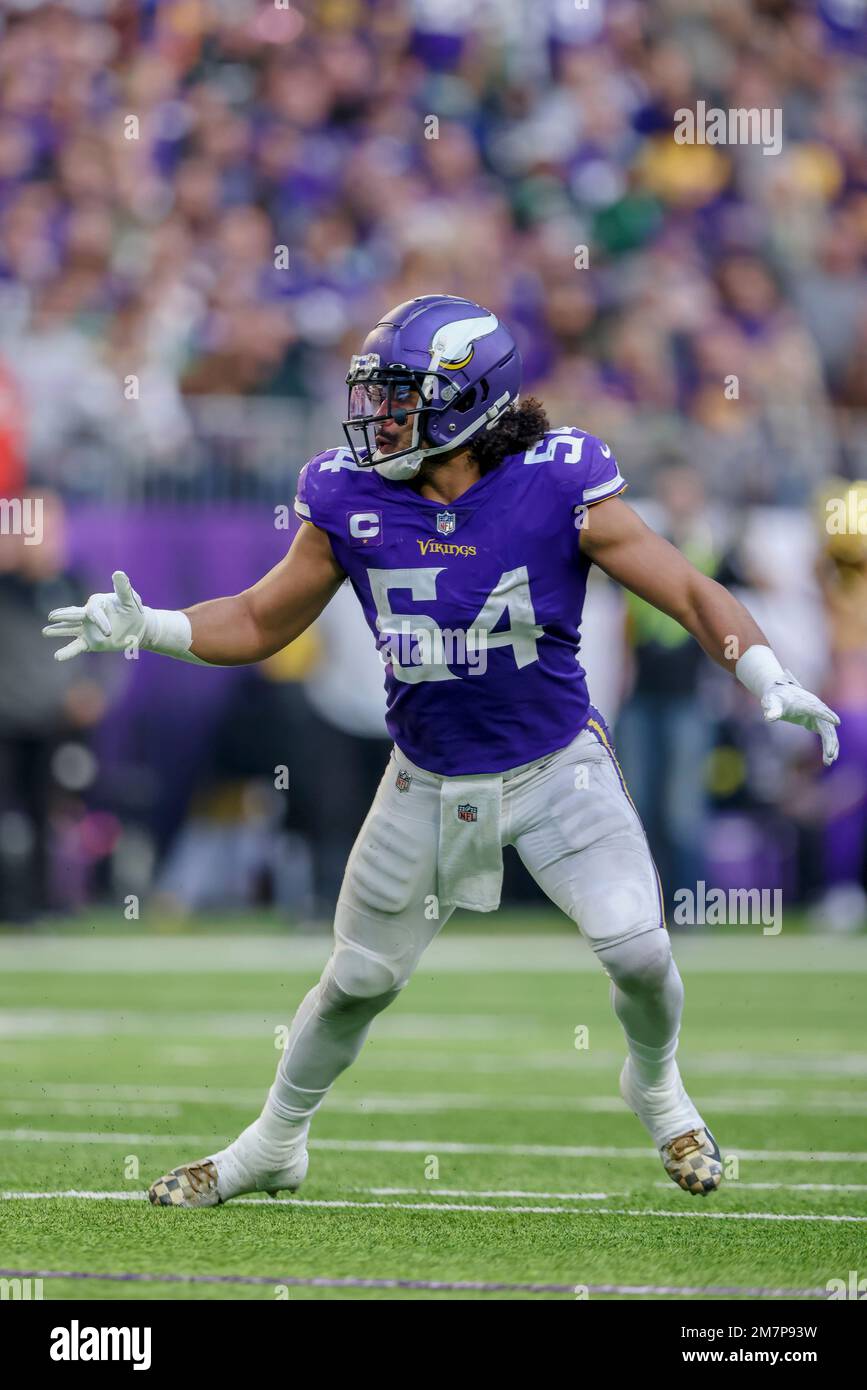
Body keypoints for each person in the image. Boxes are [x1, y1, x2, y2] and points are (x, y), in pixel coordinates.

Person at [43, 294, 840, 1207]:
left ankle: (654, 1085)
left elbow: (690, 592)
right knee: (353, 984)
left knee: (638, 954)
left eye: (399, 397)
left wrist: (764, 673)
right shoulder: (347, 493)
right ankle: (273, 1144)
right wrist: (153, 623)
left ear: (468, 402)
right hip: (425, 778)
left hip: (554, 765)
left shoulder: (558, 480)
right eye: (373, 395)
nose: (376, 417)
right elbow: (262, 617)